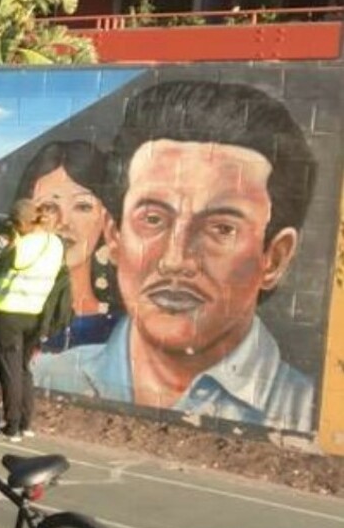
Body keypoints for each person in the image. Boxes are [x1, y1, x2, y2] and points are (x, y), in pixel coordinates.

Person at [34, 80, 318, 431]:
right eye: (153, 219)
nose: (175, 260)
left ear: (274, 258)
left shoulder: (302, 411)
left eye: (222, 228)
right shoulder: (48, 376)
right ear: (114, 235)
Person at [16, 140, 115, 347]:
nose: (64, 222)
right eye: (49, 207)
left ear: (105, 220)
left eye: (82, 207)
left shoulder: (125, 335)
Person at [0, 198, 65, 441]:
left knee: (9, 370)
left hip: (9, 313)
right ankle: (26, 423)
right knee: (23, 369)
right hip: (36, 313)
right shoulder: (55, 243)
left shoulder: (22, 246)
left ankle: (12, 426)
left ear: (19, 223)